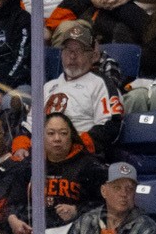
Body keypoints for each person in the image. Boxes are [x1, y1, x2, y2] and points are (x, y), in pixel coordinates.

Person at [41, 20, 124, 158]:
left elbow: (110, 126)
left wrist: (75, 145)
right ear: (61, 54)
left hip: (81, 156)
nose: (72, 56)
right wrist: (22, 145)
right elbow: (30, 125)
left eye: (79, 50)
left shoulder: (101, 83)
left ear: (93, 55)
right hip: (45, 155)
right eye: (68, 50)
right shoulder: (48, 87)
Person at [58, 160, 156, 234]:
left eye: (129, 189)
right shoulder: (85, 222)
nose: (123, 194)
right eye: (117, 188)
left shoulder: (146, 227)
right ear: (104, 191)